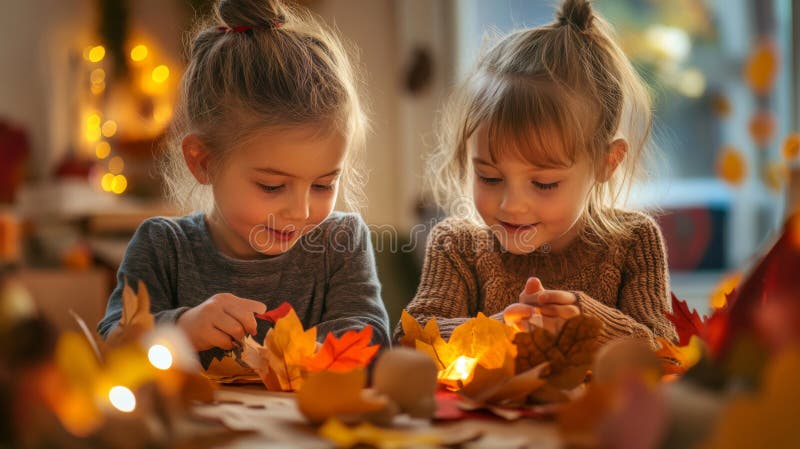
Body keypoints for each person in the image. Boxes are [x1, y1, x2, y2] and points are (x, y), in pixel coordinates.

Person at [98, 0, 390, 365]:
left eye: (323, 185)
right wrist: (182, 328)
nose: (300, 211)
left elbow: (372, 338)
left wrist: (310, 356)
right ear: (203, 161)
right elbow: (113, 346)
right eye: (272, 186)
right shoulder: (162, 248)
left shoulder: (340, 242)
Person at [402, 0, 677, 347]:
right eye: (489, 177)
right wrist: (499, 328)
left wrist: (589, 323)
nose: (511, 205)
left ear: (606, 162)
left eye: (543, 183)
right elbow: (411, 339)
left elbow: (665, 351)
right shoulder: (457, 246)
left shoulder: (633, 243)